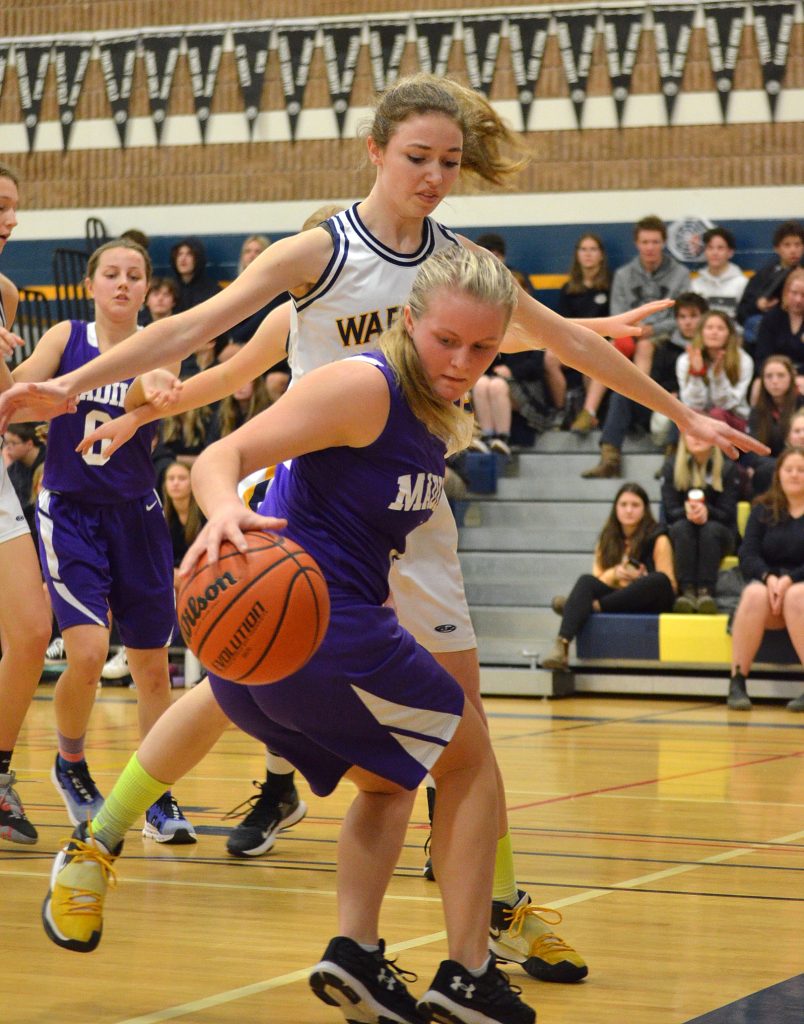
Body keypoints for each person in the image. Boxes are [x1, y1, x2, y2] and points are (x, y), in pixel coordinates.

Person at [5, 72, 763, 980]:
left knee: (464, 721)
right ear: (375, 151)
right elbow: (197, 333)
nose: (435, 176)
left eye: (450, 162)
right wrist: (78, 387)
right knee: (229, 685)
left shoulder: (455, 265)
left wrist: (681, 412)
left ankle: (495, 907)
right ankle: (98, 843)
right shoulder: (319, 254)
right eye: (418, 158)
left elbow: (550, 336)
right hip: (313, 500)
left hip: (410, 502)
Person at [43, 247, 540, 1024]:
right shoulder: (365, 383)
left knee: (388, 782)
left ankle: (357, 954)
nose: (461, 361)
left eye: (482, 348)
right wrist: (222, 510)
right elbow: (222, 452)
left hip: (276, 654)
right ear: (410, 319)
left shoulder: (429, 405)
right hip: (316, 625)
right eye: (447, 341)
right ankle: (471, 971)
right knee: (469, 758)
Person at [11, 238, 197, 844]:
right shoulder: (66, 337)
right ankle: (70, 762)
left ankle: (155, 794)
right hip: (70, 512)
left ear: (147, 288)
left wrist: (152, 387)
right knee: (88, 654)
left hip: (137, 514)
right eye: (111, 273)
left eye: (134, 275)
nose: (122, 283)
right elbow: (19, 393)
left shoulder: (161, 342)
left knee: (152, 670)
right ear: (91, 285)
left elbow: (153, 391)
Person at [0, 164, 54, 845]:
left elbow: (6, 396)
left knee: (33, 629)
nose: (10, 220)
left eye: (14, 207)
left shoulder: (6, 293)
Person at [543, 483, 676, 670]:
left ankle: (583, 607)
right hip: (617, 597)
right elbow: (597, 579)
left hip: (647, 600)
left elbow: (670, 584)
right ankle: (562, 645)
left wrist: (642, 579)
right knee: (585, 581)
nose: (629, 510)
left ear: (645, 509)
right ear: (616, 508)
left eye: (635, 505)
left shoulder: (658, 537)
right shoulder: (607, 538)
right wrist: (614, 573)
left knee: (658, 580)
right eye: (623, 504)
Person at [581, 293, 708, 478]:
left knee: (683, 402)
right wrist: (666, 395)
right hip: (661, 405)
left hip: (692, 409)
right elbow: (652, 382)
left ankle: (672, 463)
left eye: (693, 316)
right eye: (682, 317)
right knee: (621, 396)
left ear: (703, 317)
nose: (687, 322)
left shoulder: (710, 348)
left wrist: (677, 395)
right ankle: (609, 459)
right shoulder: (663, 347)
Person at [728, 446, 804, 712]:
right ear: (778, 474)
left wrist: (790, 579)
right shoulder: (762, 509)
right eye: (789, 469)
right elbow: (747, 554)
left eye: (801, 470)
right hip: (771, 596)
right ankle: (737, 681)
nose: (794, 474)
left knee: (797, 595)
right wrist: (768, 577)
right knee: (753, 593)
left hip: (799, 594)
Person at [661, 431, 740, 613]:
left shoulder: (727, 468)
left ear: (713, 439)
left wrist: (707, 512)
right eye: (691, 434)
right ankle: (686, 592)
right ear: (683, 438)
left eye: (702, 434)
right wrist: (687, 512)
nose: (696, 438)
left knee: (709, 529)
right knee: (682, 527)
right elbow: (670, 512)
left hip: (721, 533)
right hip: (684, 530)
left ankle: (706, 592)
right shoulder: (671, 466)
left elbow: (728, 513)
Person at [559, 233, 611, 434]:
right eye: (583, 249)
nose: (588, 254)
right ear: (577, 255)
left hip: (601, 343)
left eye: (593, 249)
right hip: (573, 342)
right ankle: (562, 411)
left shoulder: (611, 285)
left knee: (593, 361)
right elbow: (561, 323)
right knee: (549, 358)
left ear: (601, 255)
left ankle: (589, 414)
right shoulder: (568, 289)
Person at [677, 311, 754, 431]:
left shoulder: (743, 360)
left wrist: (719, 378)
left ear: (729, 334)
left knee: (717, 413)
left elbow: (726, 405)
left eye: (720, 328)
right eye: (709, 328)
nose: (714, 332)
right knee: (685, 416)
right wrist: (696, 374)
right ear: (701, 332)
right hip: (699, 417)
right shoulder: (685, 360)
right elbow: (692, 404)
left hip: (734, 418)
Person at [744, 355, 803, 496]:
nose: (774, 381)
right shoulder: (757, 411)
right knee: (762, 472)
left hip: (799, 462)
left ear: (791, 378)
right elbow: (753, 449)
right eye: (769, 376)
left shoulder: (801, 404)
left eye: (781, 375)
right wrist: (779, 465)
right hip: (769, 464)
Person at [737, 220, 804, 342]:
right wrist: (758, 305)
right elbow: (742, 312)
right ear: (777, 248)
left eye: (797, 244)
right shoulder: (763, 276)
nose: (793, 250)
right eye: (787, 245)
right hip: (769, 335)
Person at [752, 267, 804, 394]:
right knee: (758, 386)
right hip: (774, 374)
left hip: (802, 376)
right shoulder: (772, 317)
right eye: (794, 293)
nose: (798, 299)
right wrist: (779, 375)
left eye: (803, 295)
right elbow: (762, 356)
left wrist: (795, 376)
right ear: (786, 292)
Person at [690, 226, 747, 321]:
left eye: (720, 248)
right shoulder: (695, 284)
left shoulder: (742, 283)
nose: (715, 253)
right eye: (710, 247)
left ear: (730, 252)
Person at [4, 420, 46, 535]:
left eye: (13, 443)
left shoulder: (48, 463)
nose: (8, 448)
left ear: (29, 444)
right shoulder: (13, 469)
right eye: (6, 443)